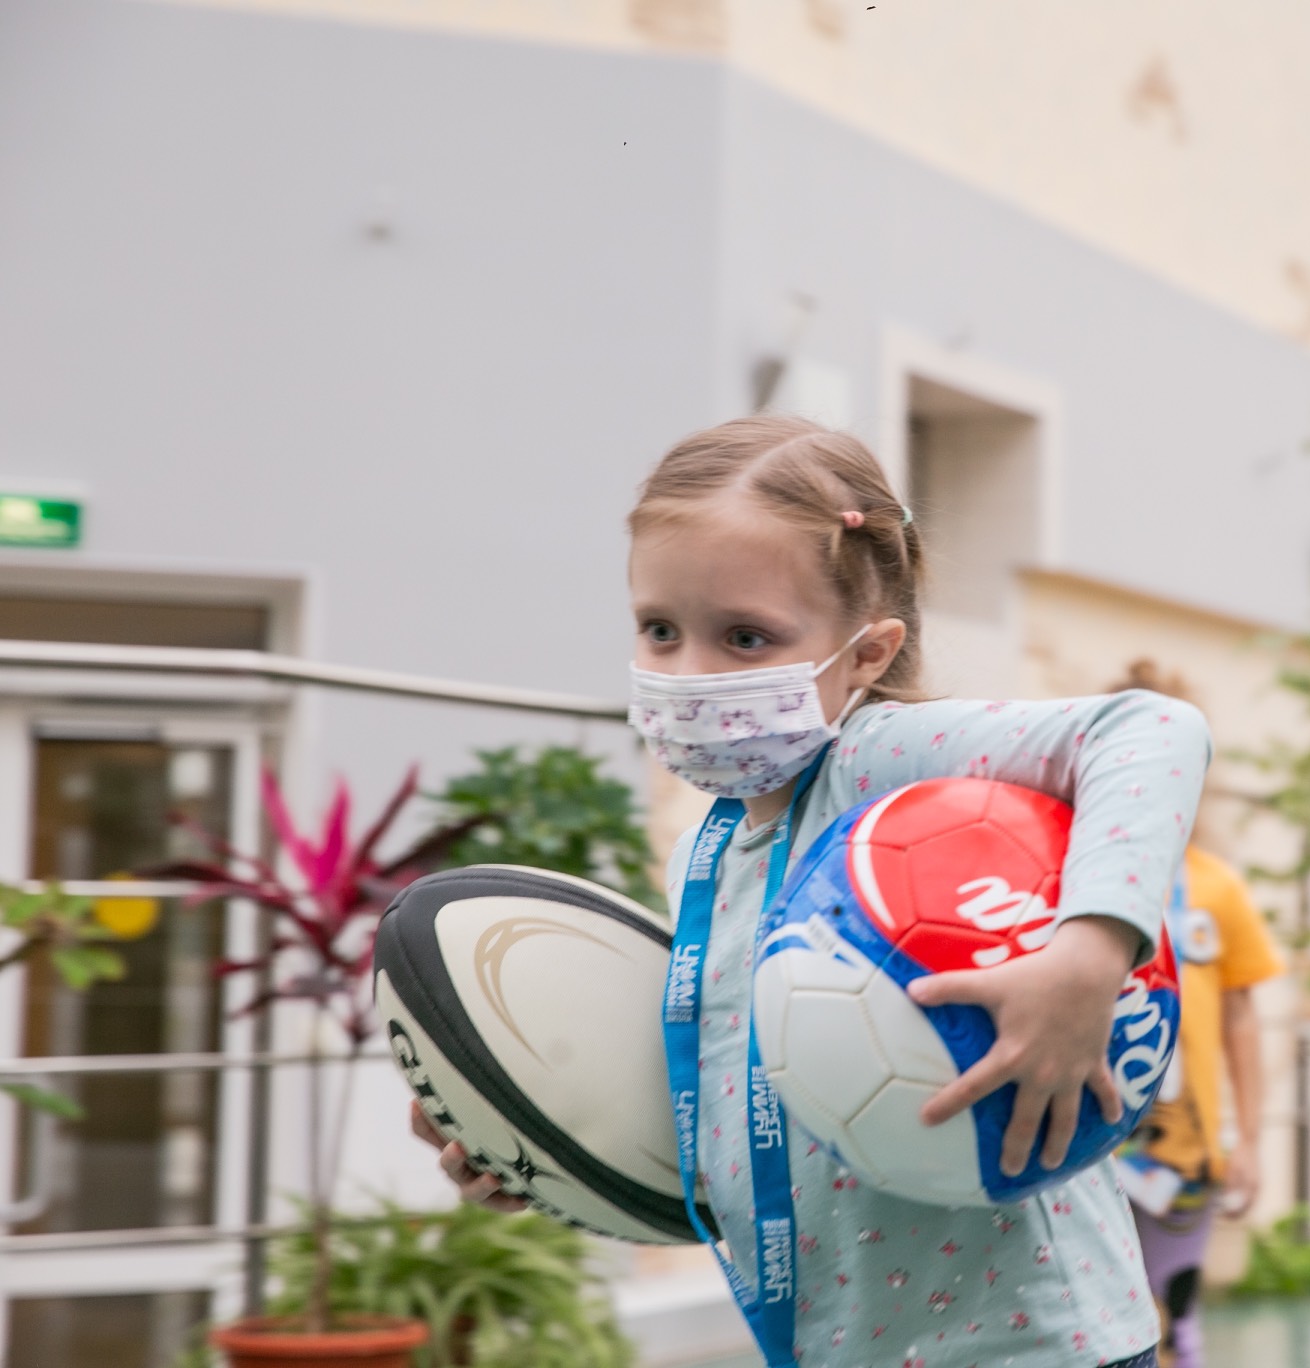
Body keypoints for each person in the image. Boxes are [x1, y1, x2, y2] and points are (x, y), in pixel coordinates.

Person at [414, 414, 1209, 1368]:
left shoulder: (880, 762)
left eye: (745, 638)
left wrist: (1088, 956)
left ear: (868, 654)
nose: (688, 672)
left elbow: (1151, 733)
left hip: (1029, 1343)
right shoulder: (707, 856)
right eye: (659, 629)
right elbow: (756, 1129)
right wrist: (535, 1140)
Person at [1107, 662, 1284, 1368]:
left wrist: (1251, 1141)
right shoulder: (1066, 867)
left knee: (1176, 1323)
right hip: (1089, 1150)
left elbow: (1243, 1021)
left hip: (1189, 1151)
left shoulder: (1218, 886)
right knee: (1097, 1324)